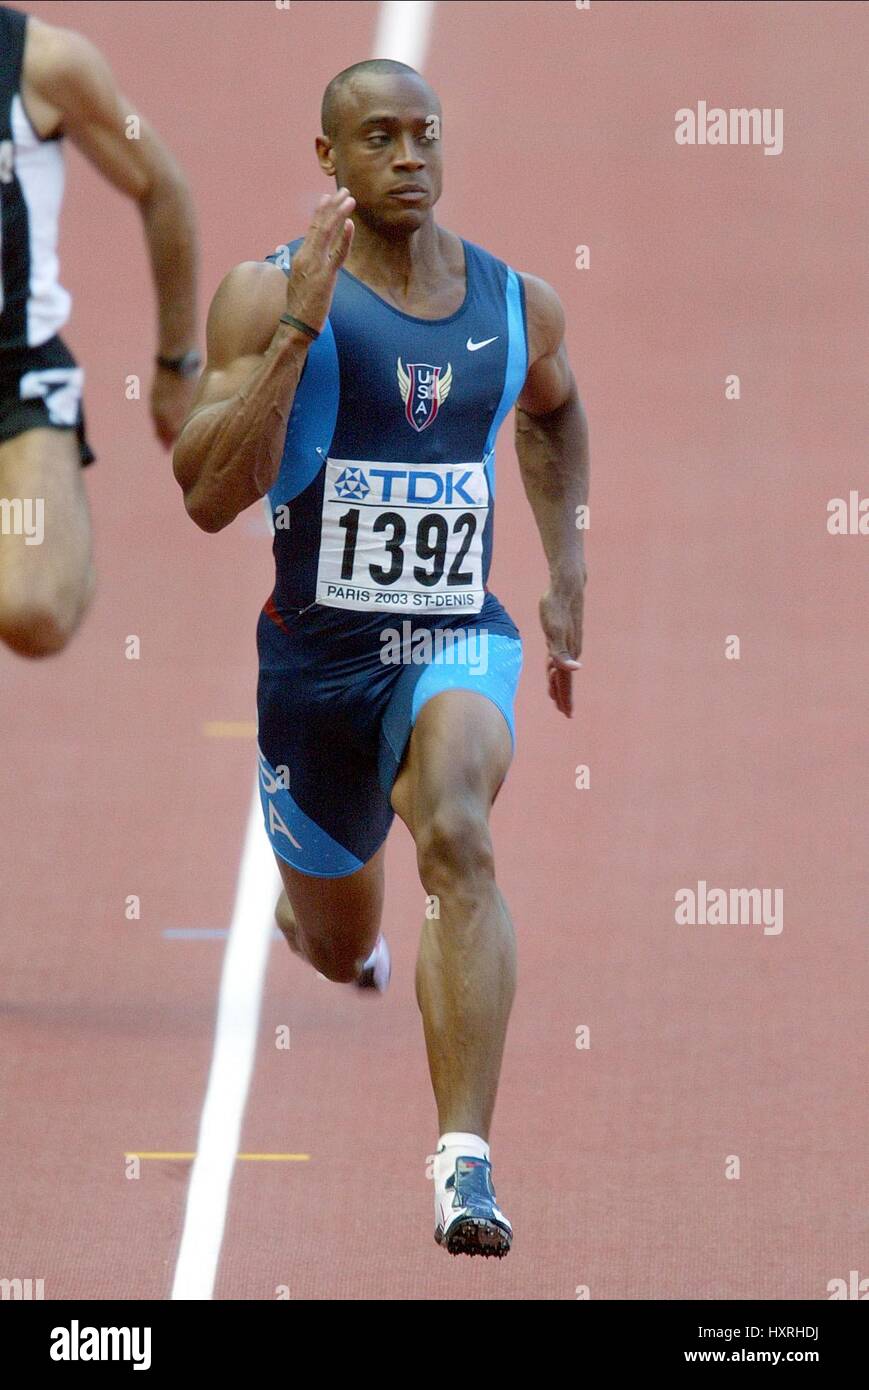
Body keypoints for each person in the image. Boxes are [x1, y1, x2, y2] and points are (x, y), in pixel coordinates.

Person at [173, 59, 589, 1258]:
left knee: (457, 827)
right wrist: (303, 322)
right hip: (312, 674)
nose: (407, 156)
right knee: (339, 939)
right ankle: (325, 939)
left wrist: (565, 569)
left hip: (450, 639)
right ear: (328, 160)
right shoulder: (264, 297)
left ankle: (463, 1162)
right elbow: (206, 498)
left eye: (425, 135)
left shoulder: (515, 307)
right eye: (377, 137)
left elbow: (553, 408)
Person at [0, 4, 198, 658]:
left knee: (33, 611)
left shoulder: (43, 63)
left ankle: (47, 527)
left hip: (17, 379)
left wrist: (176, 364)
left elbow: (162, 186)